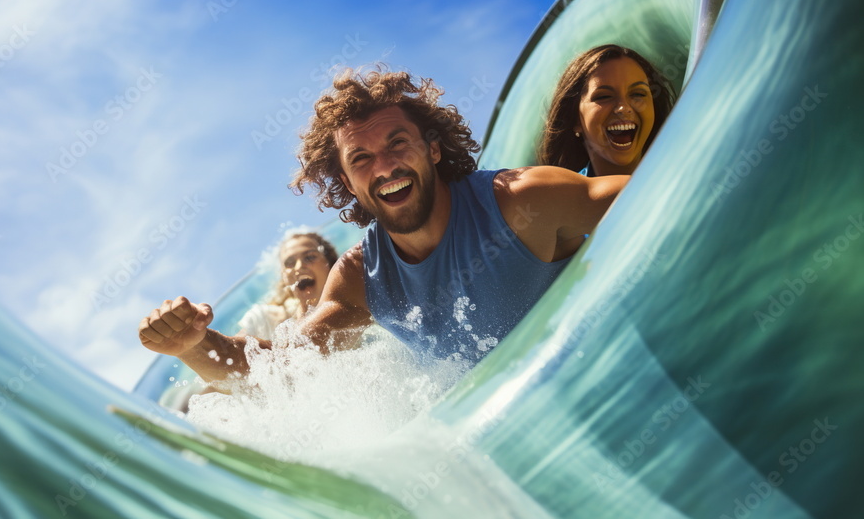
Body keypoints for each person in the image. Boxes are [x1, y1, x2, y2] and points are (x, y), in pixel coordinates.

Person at [138, 68, 628, 382]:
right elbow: (281, 367)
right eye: (362, 159)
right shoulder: (360, 278)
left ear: (433, 149)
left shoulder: (521, 200)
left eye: (399, 144)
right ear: (348, 183)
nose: (386, 167)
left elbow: (667, 184)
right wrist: (196, 345)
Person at [537, 44, 674, 177]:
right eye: (604, 96)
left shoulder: (685, 172)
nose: (623, 108)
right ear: (575, 119)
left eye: (638, 94)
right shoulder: (561, 198)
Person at [237, 230, 339, 342]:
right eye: (289, 263)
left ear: (330, 264)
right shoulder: (264, 320)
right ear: (283, 276)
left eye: (309, 257)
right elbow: (235, 348)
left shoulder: (353, 301)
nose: (299, 266)